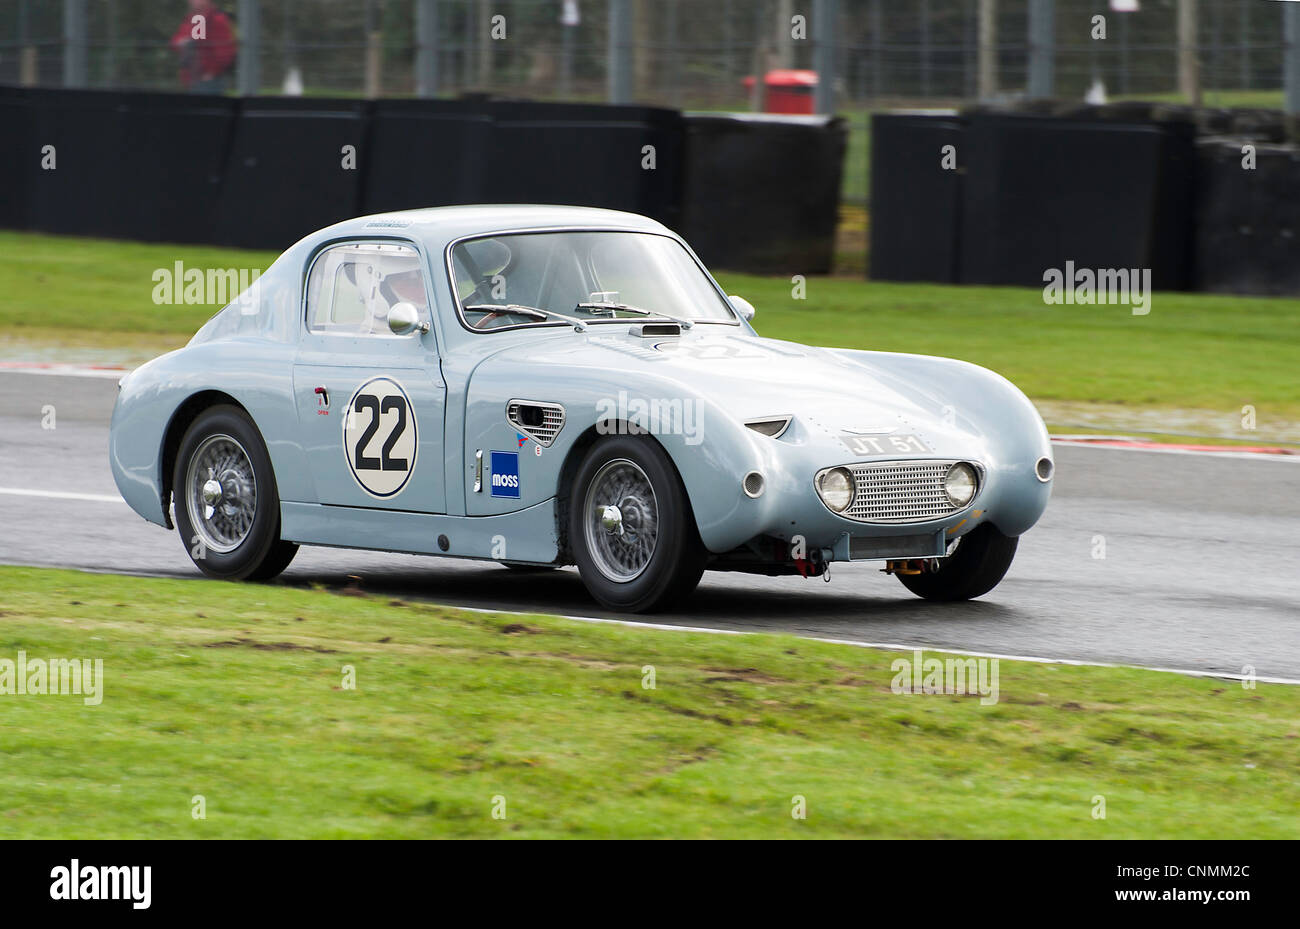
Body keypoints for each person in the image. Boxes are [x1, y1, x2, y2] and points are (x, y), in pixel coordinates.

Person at [170, 1, 237, 94]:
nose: (193, 2)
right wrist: (182, 42)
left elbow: (226, 52)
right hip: (191, 80)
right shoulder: (192, 19)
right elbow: (176, 41)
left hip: (209, 82)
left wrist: (212, 73)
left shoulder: (217, 19)